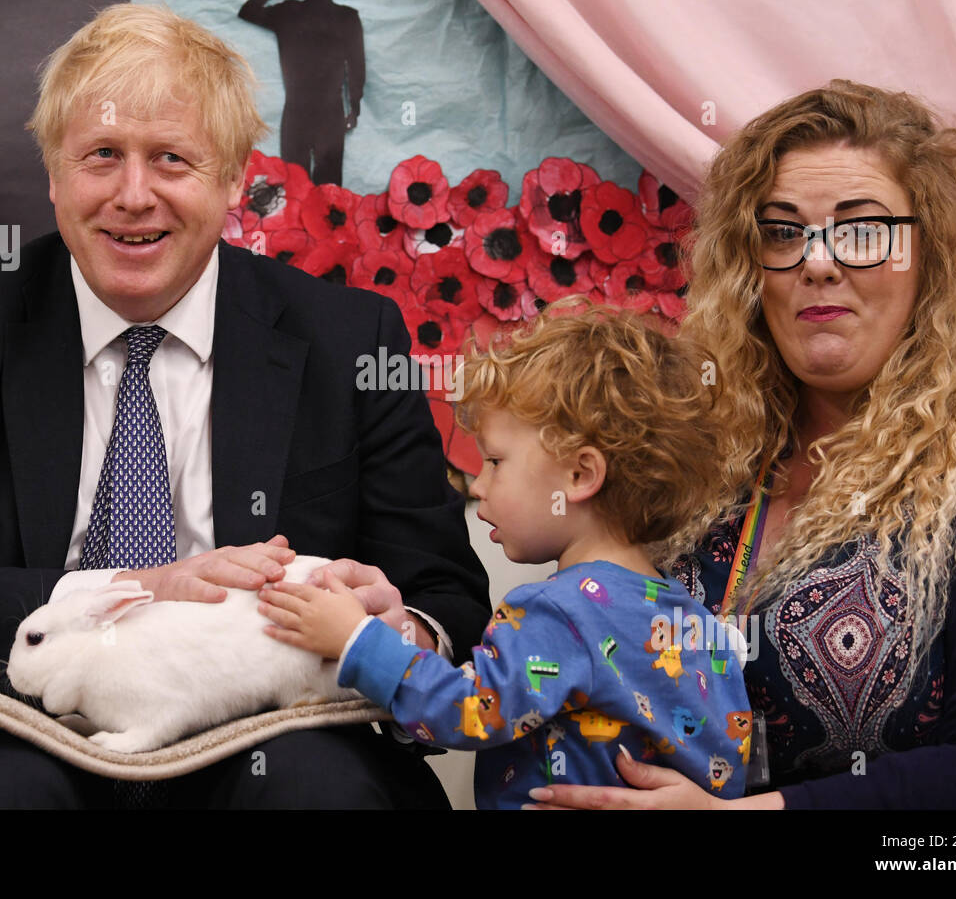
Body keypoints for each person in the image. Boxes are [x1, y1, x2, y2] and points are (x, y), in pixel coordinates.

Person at [0, 3, 489, 809]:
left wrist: (396, 632)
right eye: (102, 156)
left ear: (234, 178)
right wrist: (136, 588)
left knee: (317, 792)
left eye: (171, 160)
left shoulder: (350, 338)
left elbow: (444, 592)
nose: (132, 195)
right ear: (54, 174)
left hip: (263, 731)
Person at [526, 80, 956, 810]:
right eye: (783, 233)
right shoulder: (696, 445)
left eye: (862, 232)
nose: (817, 263)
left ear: (928, 257)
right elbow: (577, 620)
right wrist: (400, 642)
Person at [260, 303, 751, 808]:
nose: (479, 485)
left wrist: (355, 640)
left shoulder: (556, 612)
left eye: (496, 461)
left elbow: (469, 714)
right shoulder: (696, 621)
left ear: (580, 475)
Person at [239, 0, 364, 185]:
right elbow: (357, 66)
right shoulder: (347, 17)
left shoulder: (288, 12)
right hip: (331, 111)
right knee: (329, 187)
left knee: (294, 184)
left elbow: (247, 11)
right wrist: (354, 107)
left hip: (297, 110)